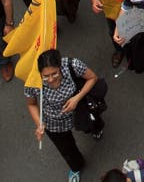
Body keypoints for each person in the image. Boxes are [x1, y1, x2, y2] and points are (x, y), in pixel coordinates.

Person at [25, 48, 103, 181]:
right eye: (45, 76)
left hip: (79, 109)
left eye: (54, 73)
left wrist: (77, 98)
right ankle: (76, 166)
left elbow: (92, 78)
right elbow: (31, 104)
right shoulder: (33, 82)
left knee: (92, 124)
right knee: (67, 149)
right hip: (53, 121)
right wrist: (39, 124)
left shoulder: (73, 65)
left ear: (60, 67)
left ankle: (95, 128)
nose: (50, 79)